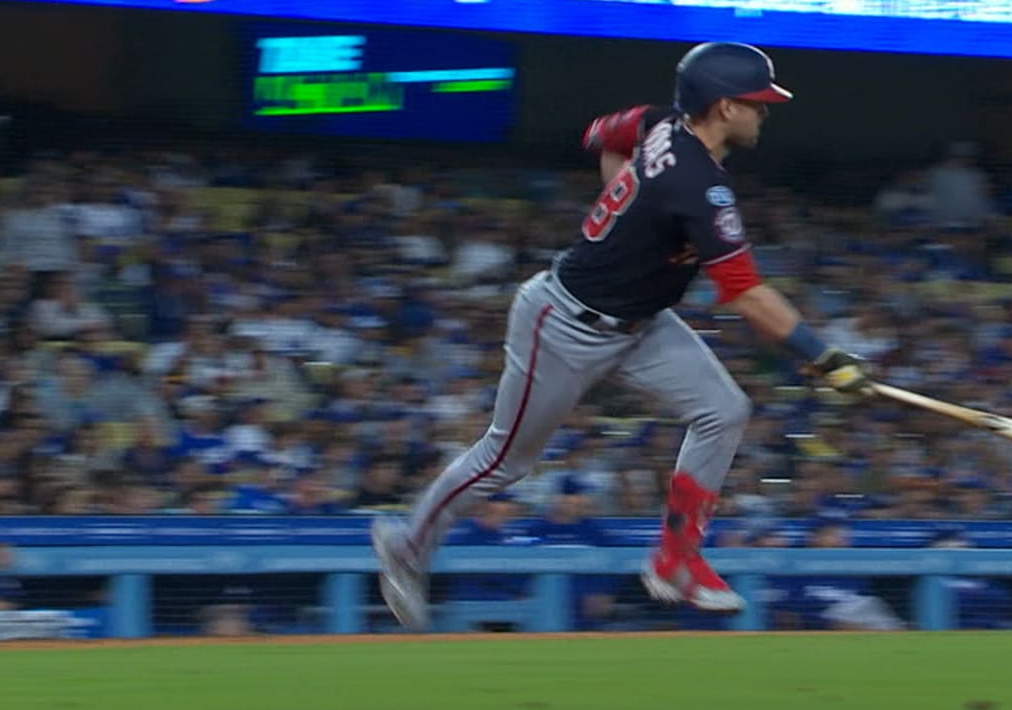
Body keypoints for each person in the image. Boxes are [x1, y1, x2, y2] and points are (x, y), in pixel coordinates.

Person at [372, 43, 874, 629]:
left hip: (642, 320)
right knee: (505, 461)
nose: (764, 112)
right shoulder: (698, 184)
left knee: (724, 410)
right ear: (723, 107)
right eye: (755, 103)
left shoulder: (657, 121)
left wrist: (626, 203)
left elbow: (599, 134)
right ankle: (408, 545)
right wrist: (822, 355)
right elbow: (743, 293)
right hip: (563, 322)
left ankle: (676, 559)